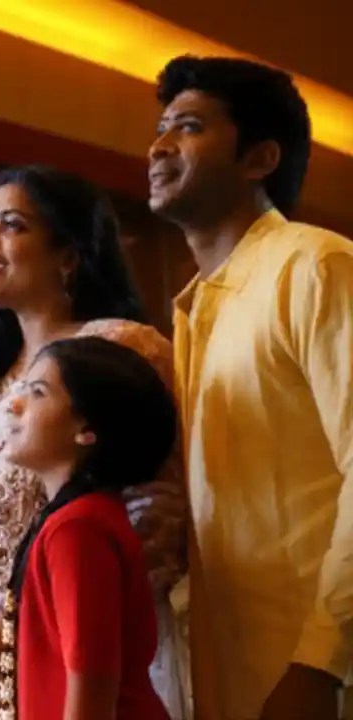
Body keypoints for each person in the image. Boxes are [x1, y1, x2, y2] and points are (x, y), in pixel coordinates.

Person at [0, 166, 188, 720]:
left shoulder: (114, 347)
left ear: (68, 255)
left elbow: (153, 520)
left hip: (64, 667)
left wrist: (12, 625)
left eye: (11, 225)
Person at [148, 55, 353, 719]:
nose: (159, 145)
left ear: (260, 158)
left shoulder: (315, 265)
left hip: (314, 676)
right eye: (161, 127)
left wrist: (321, 661)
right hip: (230, 676)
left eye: (188, 127)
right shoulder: (195, 307)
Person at [0, 336, 176, 720]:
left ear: (86, 429)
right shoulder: (71, 520)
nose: (14, 404)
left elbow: (92, 682)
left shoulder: (78, 530)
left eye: (37, 392)